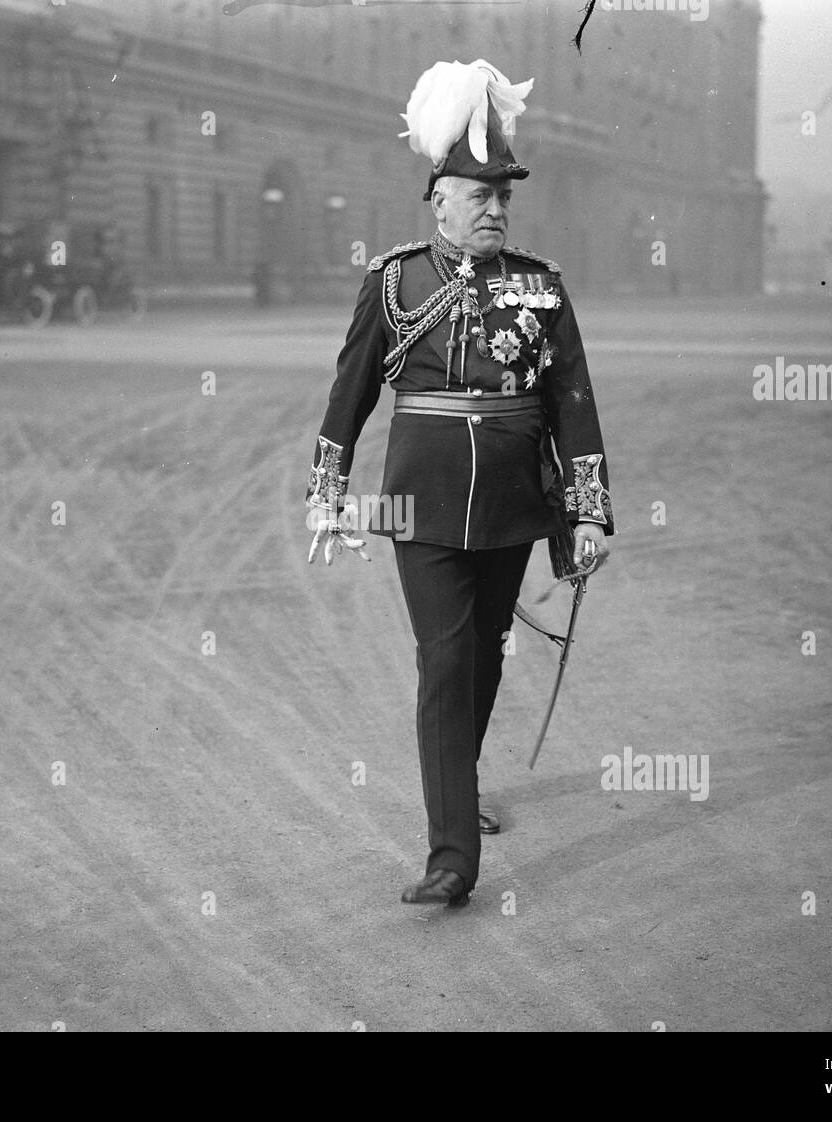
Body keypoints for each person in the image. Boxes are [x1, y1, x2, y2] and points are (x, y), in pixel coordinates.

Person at [305, 60, 614, 908]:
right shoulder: (394, 281)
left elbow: (573, 402)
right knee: (444, 660)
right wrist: (328, 493)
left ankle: (458, 785)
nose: (495, 208)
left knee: (481, 656)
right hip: (422, 503)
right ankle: (451, 857)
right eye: (479, 195)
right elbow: (350, 394)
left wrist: (588, 514)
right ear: (438, 200)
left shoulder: (541, 287)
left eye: (503, 195)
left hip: (513, 507)